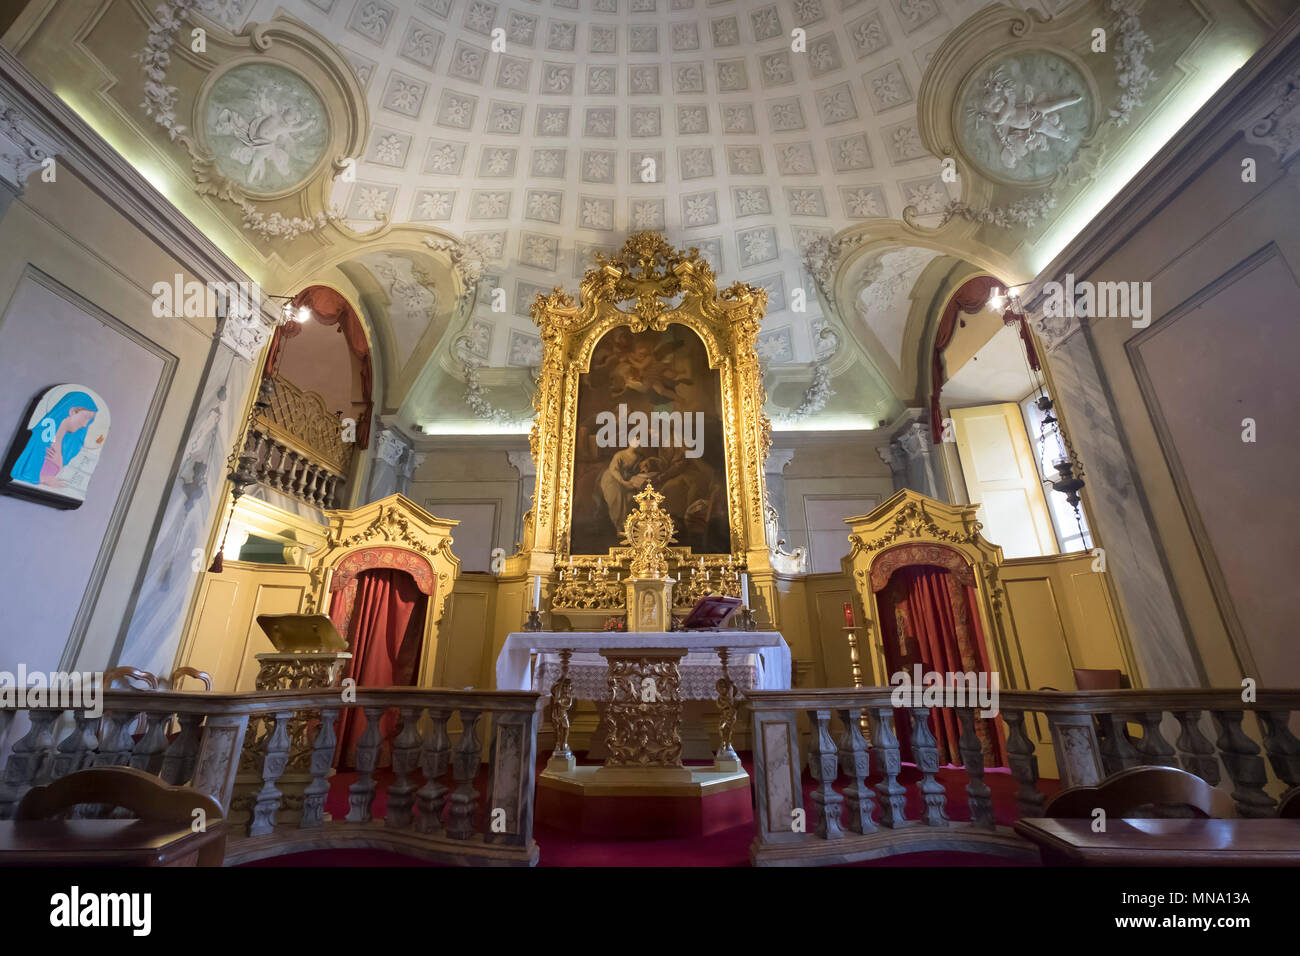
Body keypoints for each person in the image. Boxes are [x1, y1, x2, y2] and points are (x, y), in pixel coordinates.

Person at [10, 390, 98, 490]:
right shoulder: (40, 436)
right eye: (85, 417)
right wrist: (44, 480)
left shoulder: (65, 446)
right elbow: (18, 473)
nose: (84, 424)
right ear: (72, 411)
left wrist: (59, 463)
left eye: (89, 420)